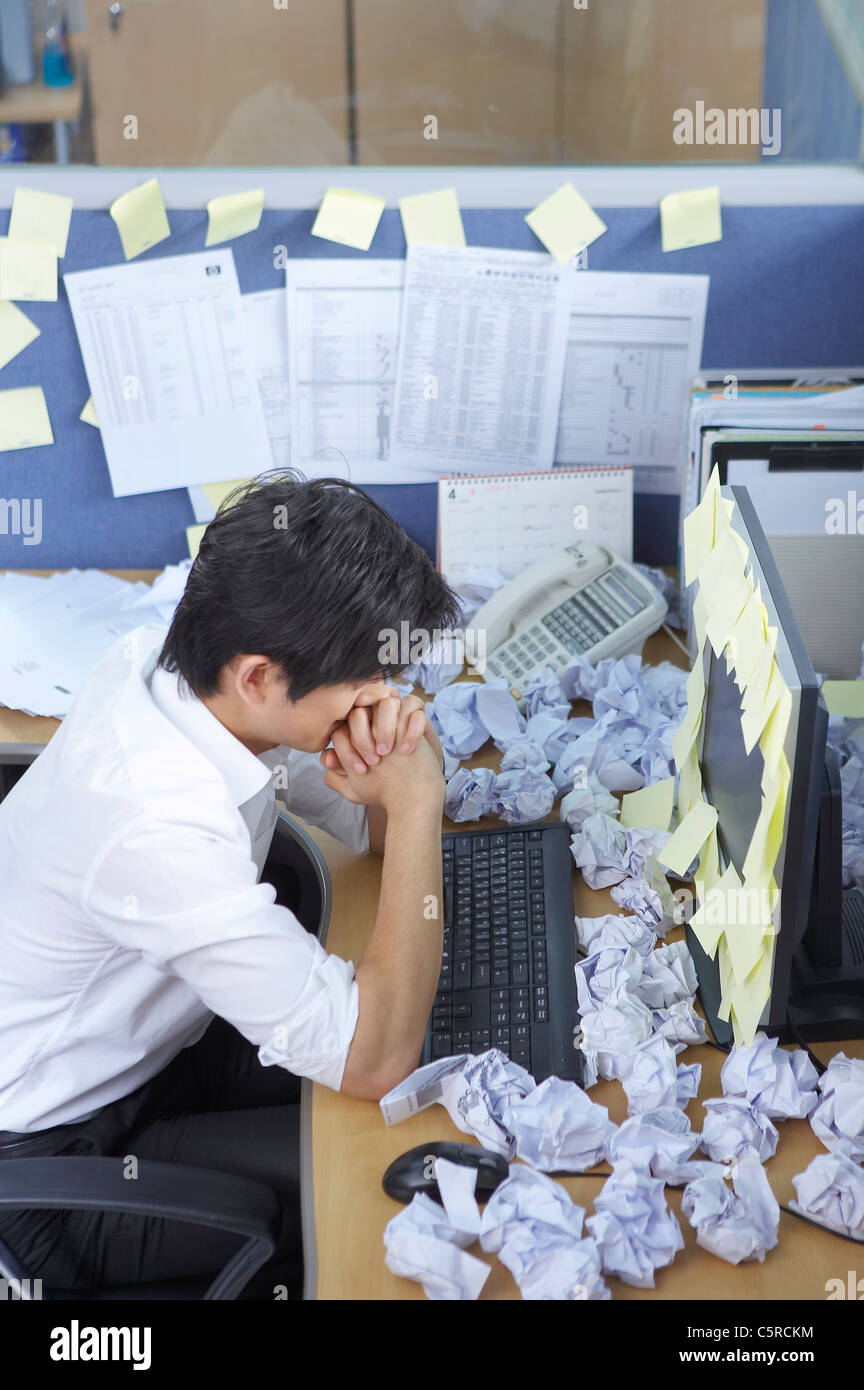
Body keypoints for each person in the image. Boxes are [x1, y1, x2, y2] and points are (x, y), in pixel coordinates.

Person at [0, 472, 461, 1298]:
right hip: (54, 1165)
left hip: (150, 1050)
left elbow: (369, 819)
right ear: (258, 677)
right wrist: (419, 797)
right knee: (400, 1171)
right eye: (363, 682)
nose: (381, 701)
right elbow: (377, 1060)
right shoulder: (155, 820)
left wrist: (398, 791)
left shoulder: (178, 669)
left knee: (448, 1056)